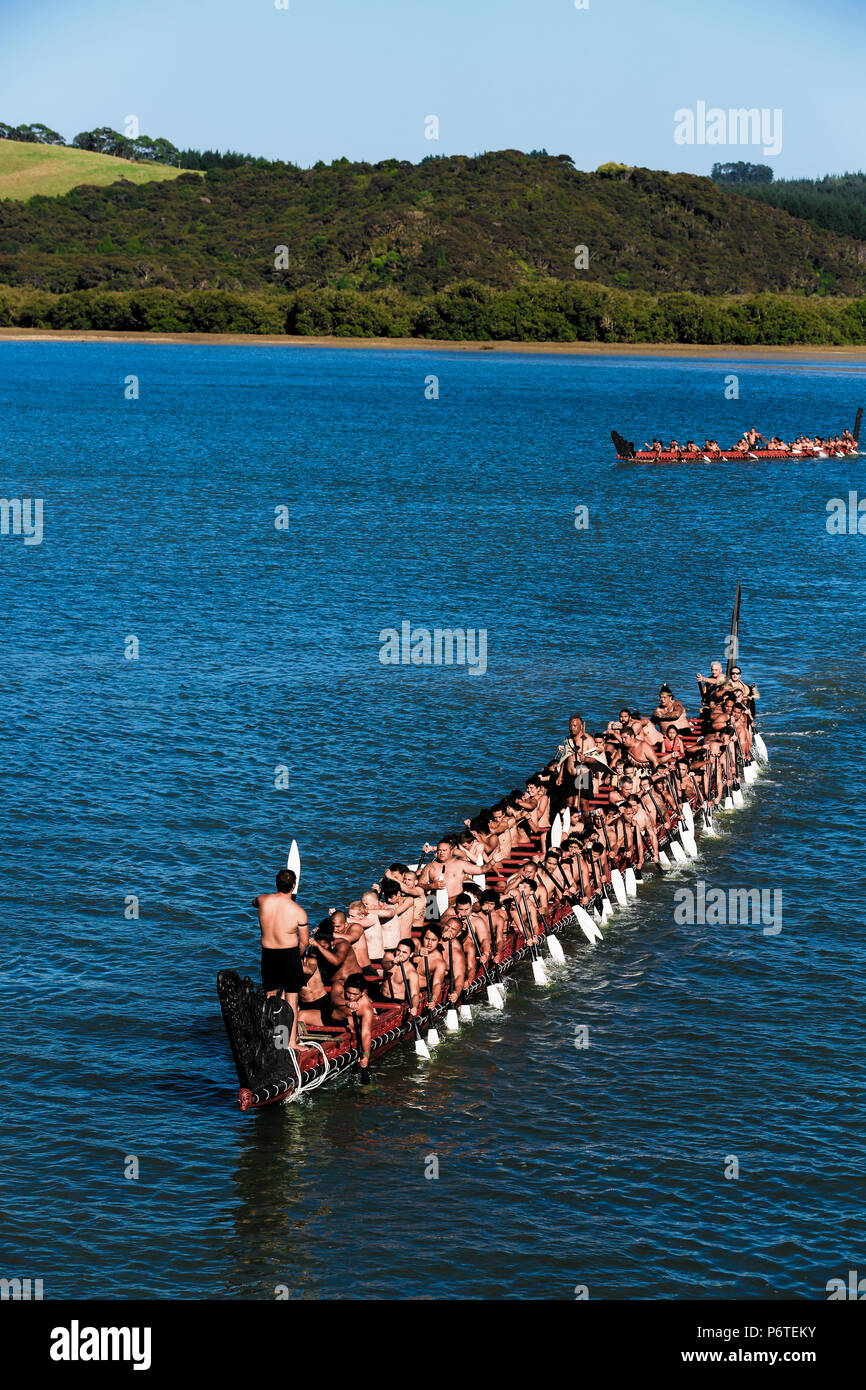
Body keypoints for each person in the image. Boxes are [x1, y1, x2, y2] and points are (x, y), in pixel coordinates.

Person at [253, 868, 308, 1049]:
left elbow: (254, 902)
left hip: (268, 954)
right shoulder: (299, 912)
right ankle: (288, 1042)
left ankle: (272, 1039)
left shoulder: (263, 900)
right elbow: (304, 942)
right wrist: (298, 957)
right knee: (291, 999)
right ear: (294, 886)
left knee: (271, 996)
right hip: (289, 954)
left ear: (276, 884)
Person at [343, 974, 375, 1079]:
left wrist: (366, 1055)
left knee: (352, 1021)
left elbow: (366, 1032)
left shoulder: (366, 1006)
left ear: (363, 993)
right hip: (330, 1018)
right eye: (348, 992)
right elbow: (335, 1000)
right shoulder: (338, 988)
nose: (351, 997)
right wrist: (346, 1003)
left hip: (345, 1022)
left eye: (355, 994)